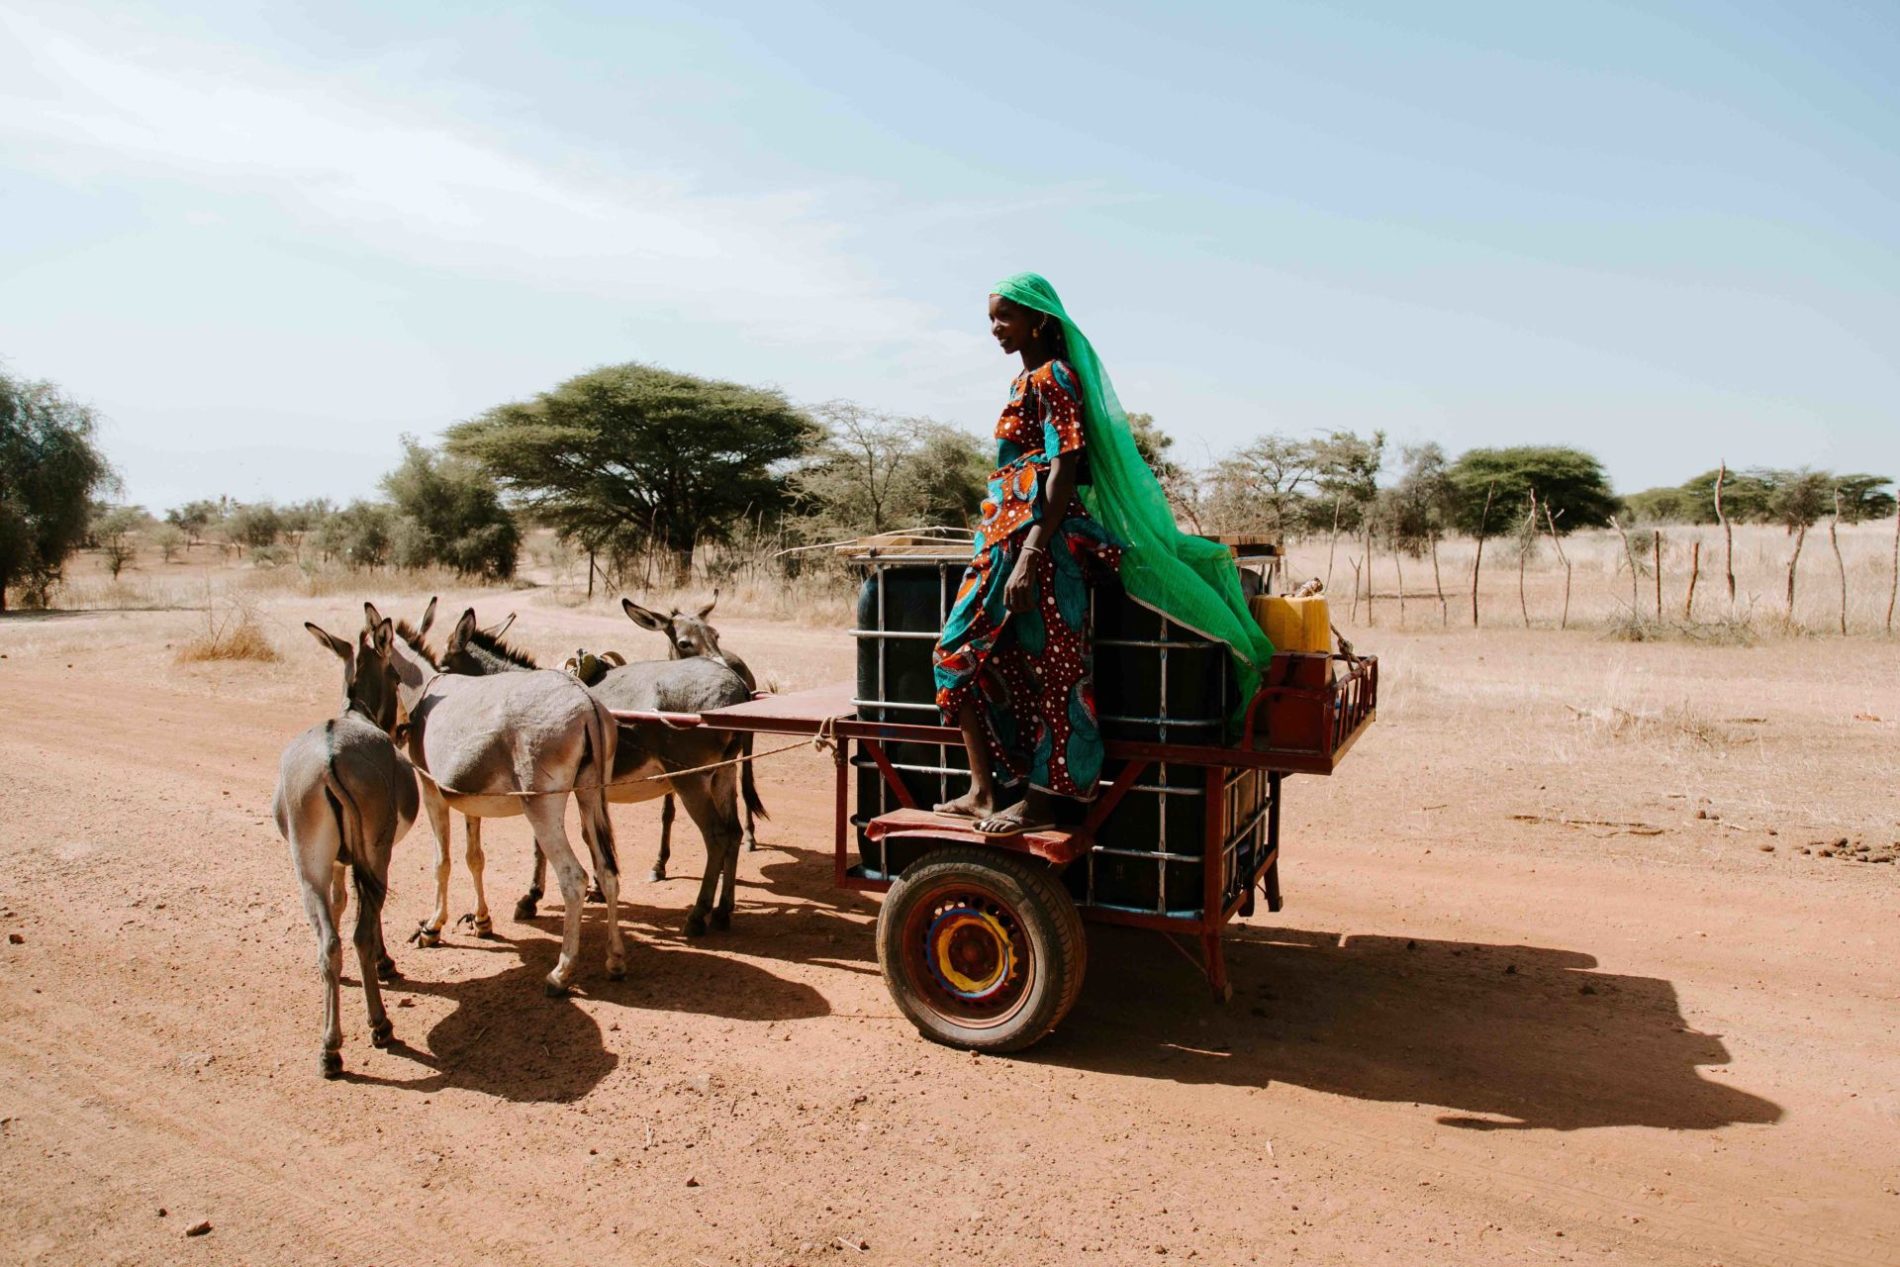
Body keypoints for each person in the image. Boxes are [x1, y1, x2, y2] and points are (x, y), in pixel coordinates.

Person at [932, 273, 1277, 837]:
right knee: (963, 657)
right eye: (991, 318)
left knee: (1058, 672)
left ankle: (1045, 801)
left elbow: (1063, 468)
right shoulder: (1028, 378)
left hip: (1041, 546)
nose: (994, 329)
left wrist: (1030, 555)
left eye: (1004, 318)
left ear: (1038, 319)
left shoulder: (1054, 377)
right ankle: (985, 790)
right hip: (1007, 538)